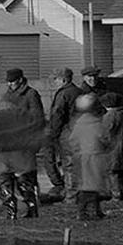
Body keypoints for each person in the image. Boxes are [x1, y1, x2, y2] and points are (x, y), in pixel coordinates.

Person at [66, 93, 112, 220]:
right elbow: (104, 139)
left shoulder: (79, 123)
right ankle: (85, 211)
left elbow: (72, 141)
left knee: (87, 184)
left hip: (82, 157)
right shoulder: (97, 123)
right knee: (93, 186)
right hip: (95, 157)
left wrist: (76, 151)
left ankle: (92, 210)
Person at [44, 68, 82, 199]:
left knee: (69, 165)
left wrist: (52, 133)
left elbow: (58, 115)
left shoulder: (63, 94)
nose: (54, 82)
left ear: (63, 80)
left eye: (56, 79)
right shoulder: (80, 92)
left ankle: (72, 195)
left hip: (67, 133)